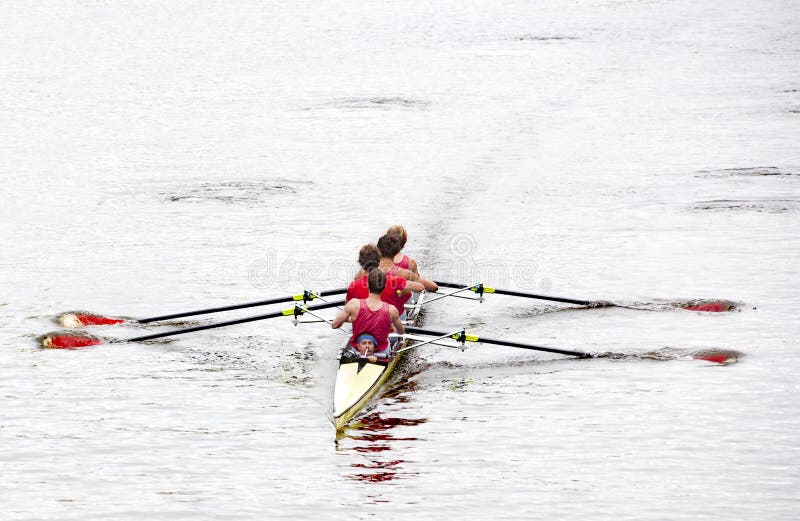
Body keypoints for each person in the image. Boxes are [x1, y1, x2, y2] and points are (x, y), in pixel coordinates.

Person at [332, 270, 405, 363]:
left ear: (368, 285)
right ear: (384, 286)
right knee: (390, 340)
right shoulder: (391, 310)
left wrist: (353, 319)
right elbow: (400, 331)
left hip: (357, 352)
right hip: (381, 353)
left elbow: (335, 325)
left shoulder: (353, 304)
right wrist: (388, 325)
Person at [346, 244, 424, 317]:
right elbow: (420, 287)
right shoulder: (393, 281)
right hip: (391, 323)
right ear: (379, 261)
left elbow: (348, 311)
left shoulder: (353, 285)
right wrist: (401, 292)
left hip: (364, 322)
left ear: (360, 263)